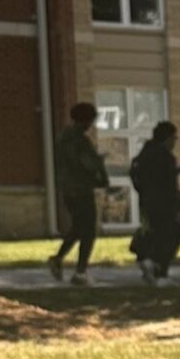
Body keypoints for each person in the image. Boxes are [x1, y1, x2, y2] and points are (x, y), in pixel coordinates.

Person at [50, 102, 109, 283]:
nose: (91, 125)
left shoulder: (63, 138)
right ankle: (80, 272)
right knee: (89, 230)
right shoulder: (80, 140)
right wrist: (99, 165)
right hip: (81, 189)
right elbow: (87, 163)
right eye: (90, 120)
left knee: (77, 228)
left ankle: (58, 258)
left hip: (68, 189)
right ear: (85, 120)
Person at [129, 121, 180, 282]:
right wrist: (178, 208)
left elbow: (138, 176)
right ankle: (159, 269)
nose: (174, 143)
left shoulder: (144, 154)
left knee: (153, 233)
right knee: (172, 234)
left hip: (147, 202)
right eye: (174, 139)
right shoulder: (166, 157)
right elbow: (168, 183)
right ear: (168, 138)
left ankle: (147, 261)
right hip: (165, 204)